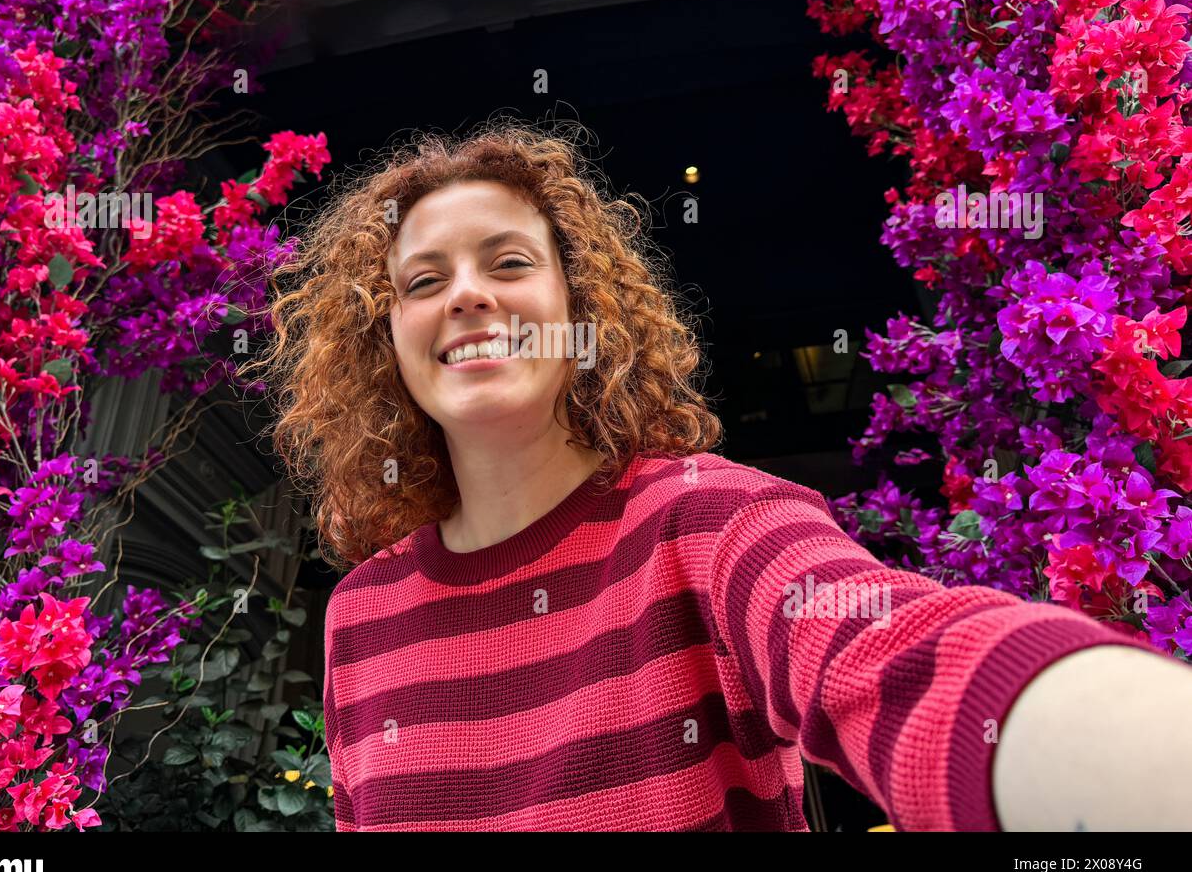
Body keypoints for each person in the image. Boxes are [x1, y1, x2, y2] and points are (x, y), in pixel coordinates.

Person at [253, 119, 1192, 832]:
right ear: (386, 346)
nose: (465, 293)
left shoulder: (707, 522)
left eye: (509, 262)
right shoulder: (360, 615)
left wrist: (1121, 750)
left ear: (581, 312)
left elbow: (892, 652)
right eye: (422, 281)